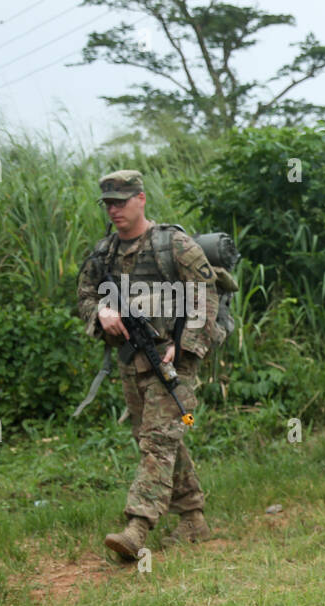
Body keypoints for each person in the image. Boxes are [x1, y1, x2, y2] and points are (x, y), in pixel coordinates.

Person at [75, 169, 218, 561]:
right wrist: (100, 313)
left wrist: (185, 345)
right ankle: (193, 518)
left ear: (141, 199)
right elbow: (84, 296)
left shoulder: (174, 245)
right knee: (156, 438)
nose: (114, 210)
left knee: (157, 441)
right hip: (131, 360)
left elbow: (206, 297)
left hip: (174, 360)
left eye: (120, 202)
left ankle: (136, 528)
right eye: (108, 204)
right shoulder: (104, 254)